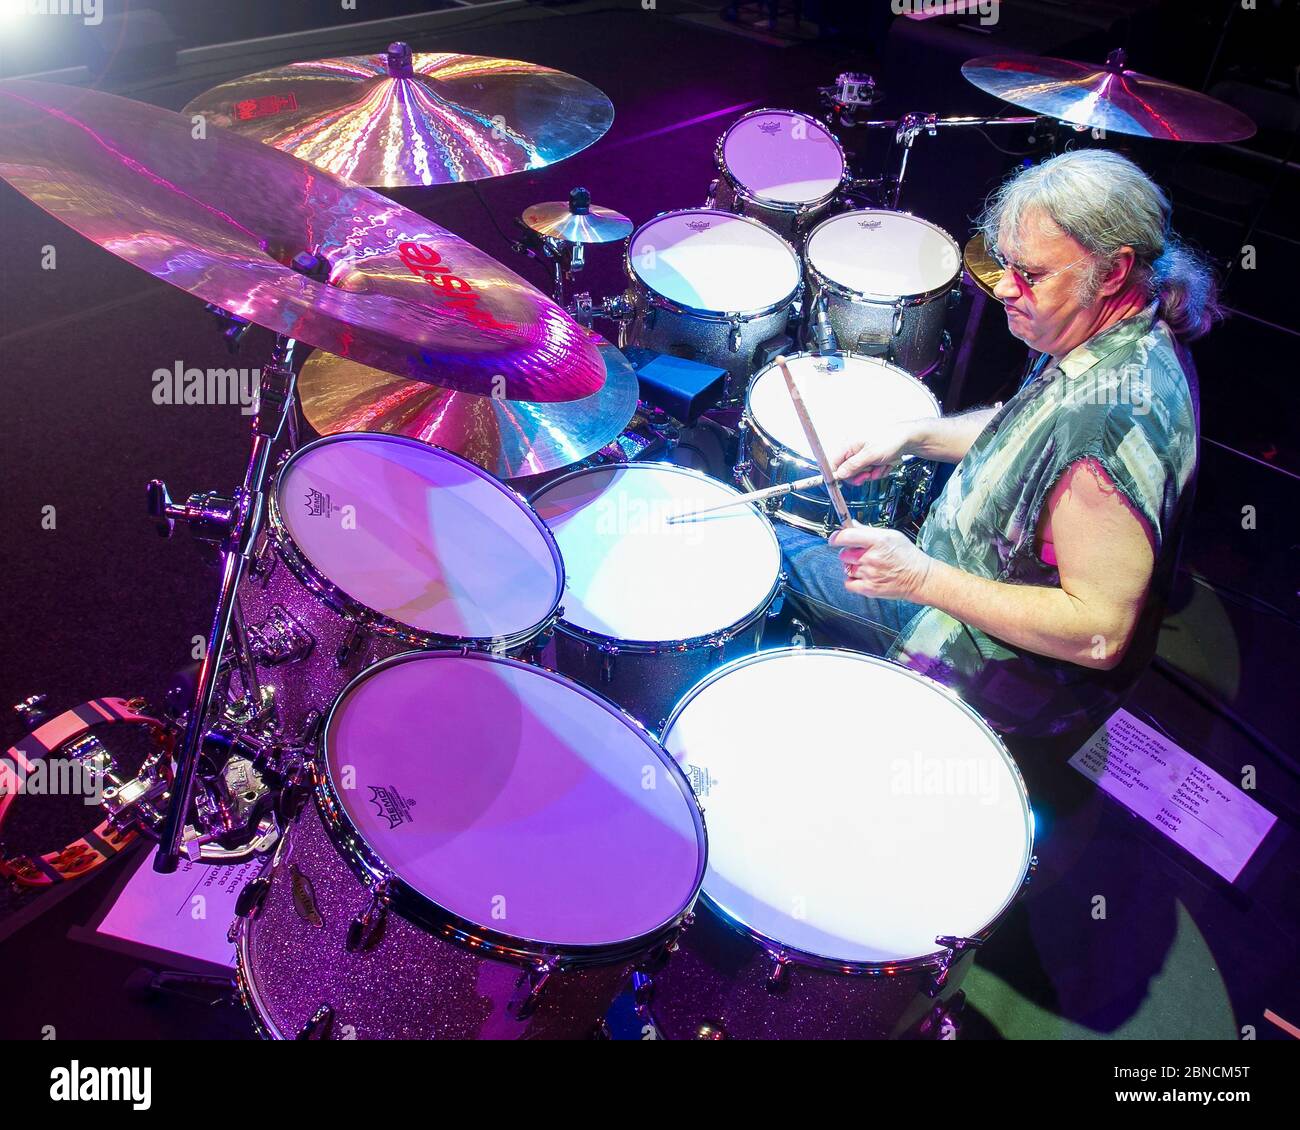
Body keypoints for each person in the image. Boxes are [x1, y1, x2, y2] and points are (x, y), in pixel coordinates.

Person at [777, 149, 1213, 737]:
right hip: (958, 587)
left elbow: (1099, 633)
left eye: (1030, 275)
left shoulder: (1108, 421)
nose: (1005, 287)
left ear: (1113, 270)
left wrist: (919, 578)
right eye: (1006, 264)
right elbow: (1030, 432)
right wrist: (914, 437)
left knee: (773, 551)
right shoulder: (1114, 332)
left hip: (1000, 670)